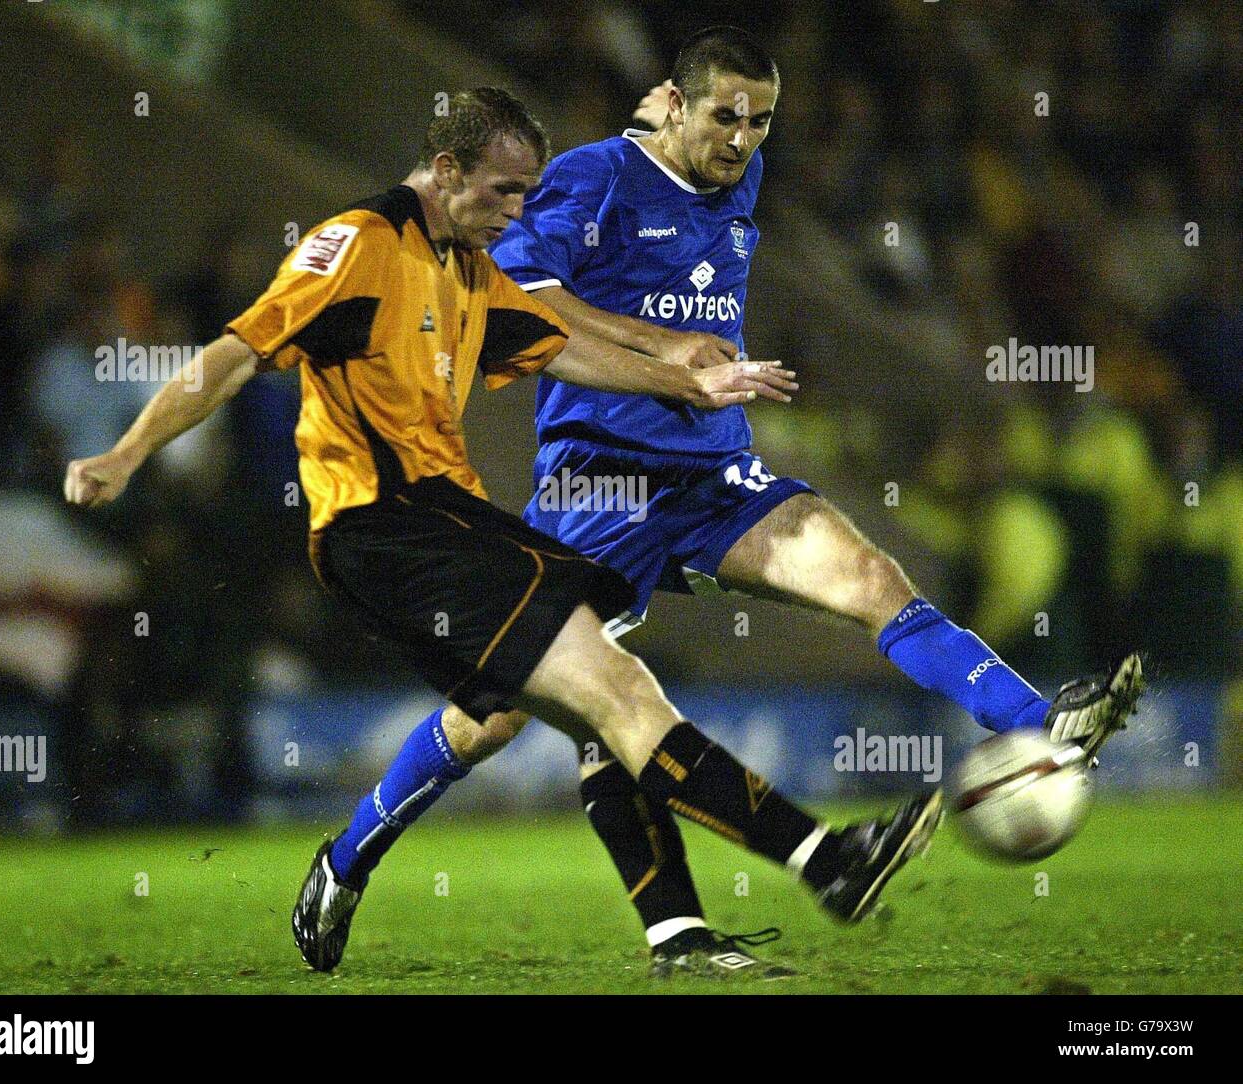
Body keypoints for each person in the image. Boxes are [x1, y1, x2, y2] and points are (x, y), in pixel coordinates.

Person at [63, 85, 942, 979]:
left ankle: (392, 870)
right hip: (388, 528)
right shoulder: (358, 247)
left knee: (556, 708)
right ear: (446, 172)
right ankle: (827, 863)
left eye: (529, 193)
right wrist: (127, 453)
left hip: (453, 521)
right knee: (615, 690)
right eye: (505, 192)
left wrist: (682, 379)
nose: (520, 212)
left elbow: (556, 344)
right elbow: (234, 355)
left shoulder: (469, 266)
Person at [322, 27, 1146, 979]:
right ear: (675, 103)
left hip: (715, 476)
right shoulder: (592, 181)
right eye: (725, 115)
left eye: (762, 121)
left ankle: (1035, 722)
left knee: (869, 573)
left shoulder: (731, 169)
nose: (744, 138)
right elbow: (514, 291)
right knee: (511, 715)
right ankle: (347, 861)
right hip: (603, 477)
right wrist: (658, 348)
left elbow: (687, 144)